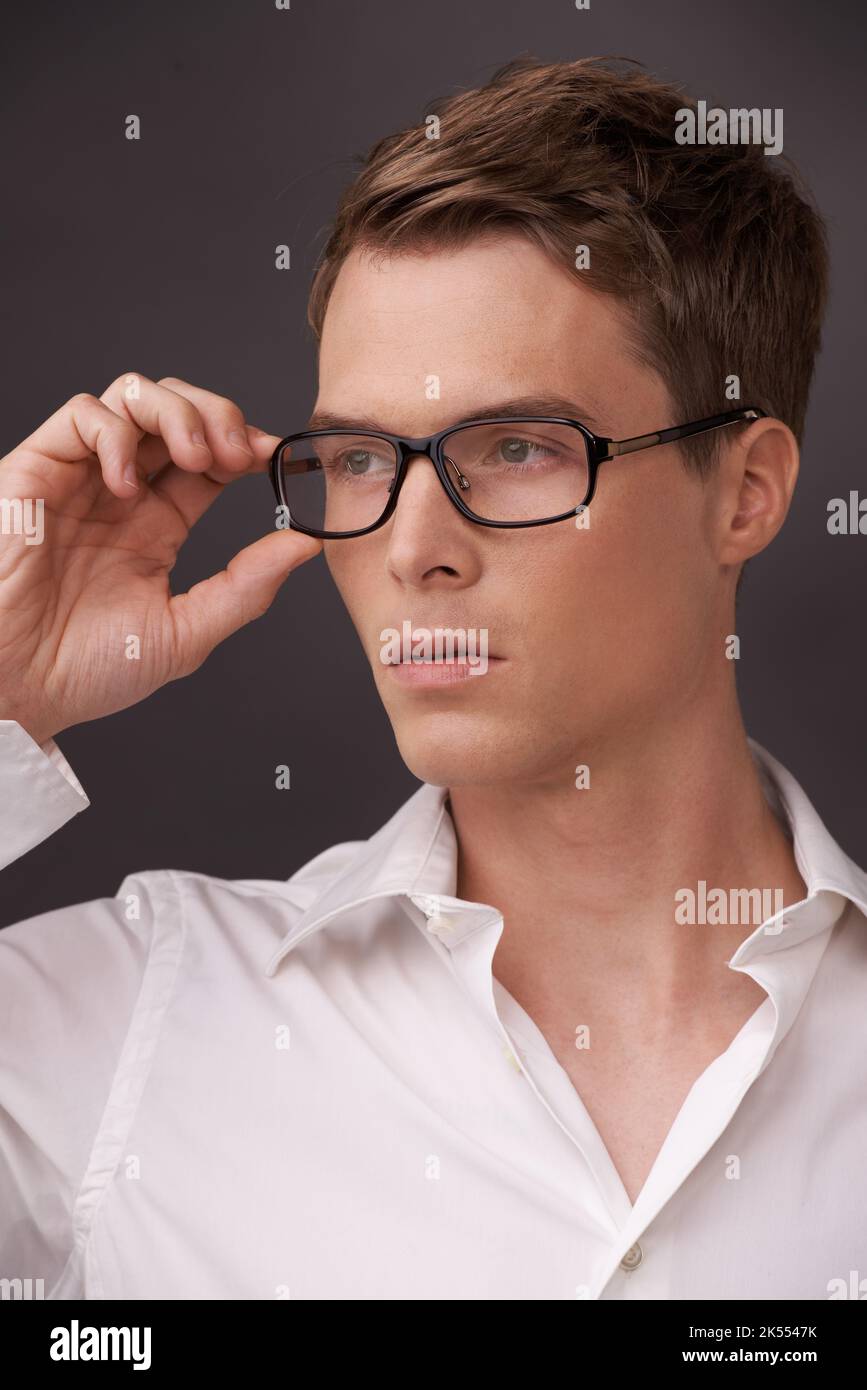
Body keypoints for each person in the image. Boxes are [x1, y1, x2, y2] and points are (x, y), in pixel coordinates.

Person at [1, 55, 864, 1302]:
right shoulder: (128, 1022)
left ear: (746, 491)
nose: (412, 548)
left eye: (513, 447)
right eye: (359, 458)